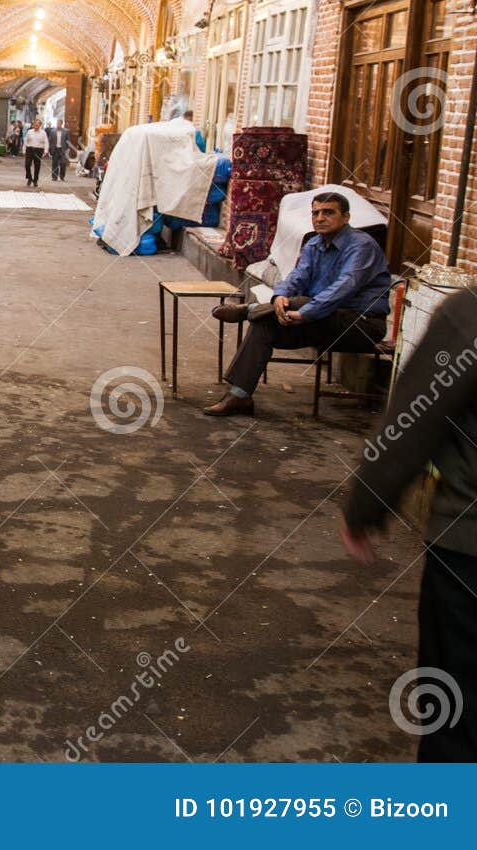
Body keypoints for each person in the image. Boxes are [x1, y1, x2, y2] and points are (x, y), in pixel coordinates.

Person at [340, 289, 477, 761]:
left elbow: (415, 419)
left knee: (457, 710)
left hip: (468, 551)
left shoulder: (470, 314)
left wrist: (366, 504)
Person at [203, 192, 393, 416]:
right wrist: (279, 297)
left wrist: (305, 312)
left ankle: (250, 309)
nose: (320, 218)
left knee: (301, 302)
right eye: (315, 213)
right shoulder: (314, 243)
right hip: (322, 320)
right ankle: (239, 395)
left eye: (328, 212)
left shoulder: (362, 246)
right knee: (264, 324)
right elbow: (297, 277)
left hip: (361, 325)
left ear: (346, 217)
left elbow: (343, 288)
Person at [22, 118, 49, 187]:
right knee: (27, 164)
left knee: (37, 166)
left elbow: (46, 142)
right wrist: (24, 149)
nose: (36, 125)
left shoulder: (43, 133)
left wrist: (46, 151)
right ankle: (30, 178)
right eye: (35, 124)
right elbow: (25, 141)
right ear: (33, 125)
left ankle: (35, 180)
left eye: (37, 124)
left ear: (40, 125)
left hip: (38, 150)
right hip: (30, 149)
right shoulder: (29, 132)